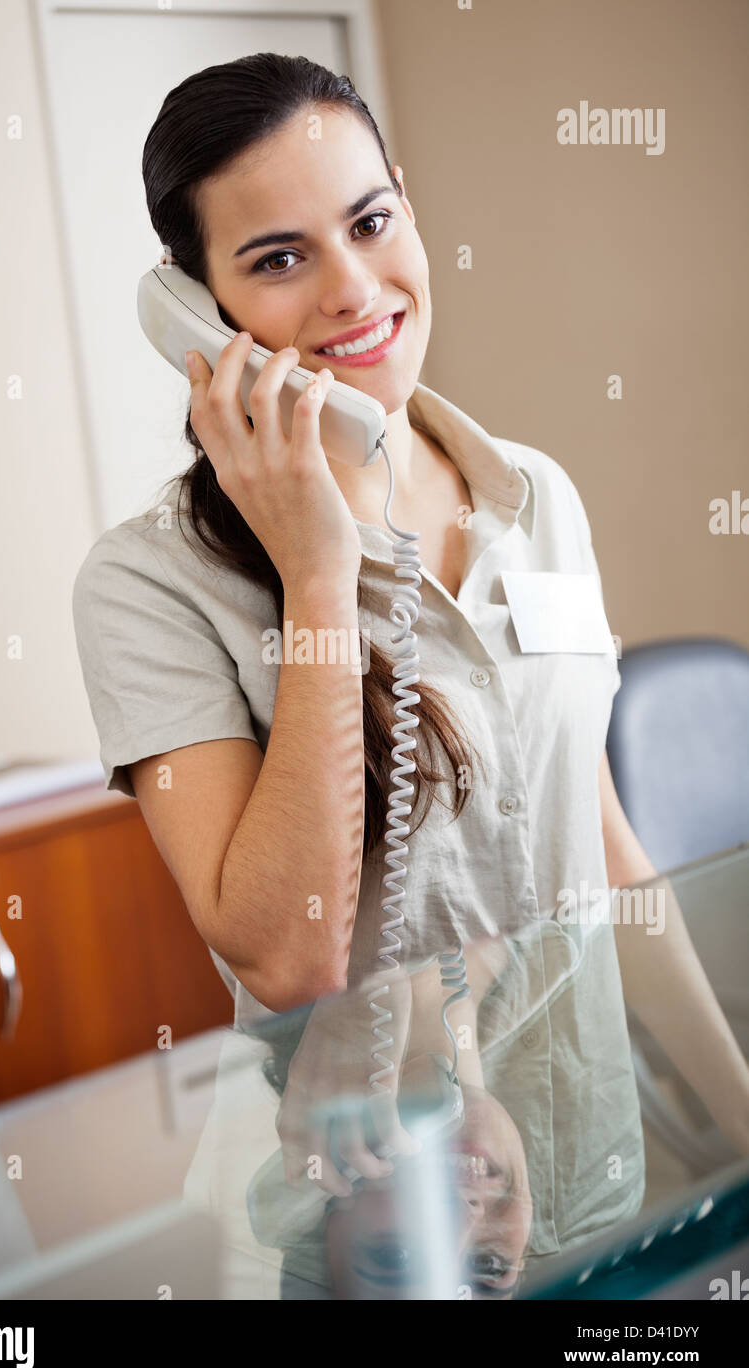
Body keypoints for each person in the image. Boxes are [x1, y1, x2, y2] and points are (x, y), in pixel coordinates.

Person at [72, 53, 749, 1291]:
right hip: (349, 1222)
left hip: (582, 1163)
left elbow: (595, 842)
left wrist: (741, 1120)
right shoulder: (146, 585)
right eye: (276, 259)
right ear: (195, 311)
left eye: (368, 223)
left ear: (408, 213)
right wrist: (323, 570)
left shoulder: (533, 495)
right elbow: (288, 956)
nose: (349, 290)